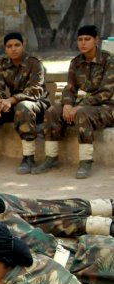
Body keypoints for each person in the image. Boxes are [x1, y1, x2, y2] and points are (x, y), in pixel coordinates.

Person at [33, 25, 114, 179]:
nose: (83, 43)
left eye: (87, 39)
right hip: (84, 105)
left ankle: (85, 162)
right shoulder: (76, 62)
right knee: (52, 112)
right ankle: (51, 158)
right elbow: (70, 89)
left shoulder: (109, 61)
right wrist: (68, 105)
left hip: (107, 107)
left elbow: (106, 92)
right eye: (80, 39)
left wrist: (79, 106)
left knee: (82, 114)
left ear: (96, 40)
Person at [0, 32, 50, 174]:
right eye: (9, 46)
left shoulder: (34, 63)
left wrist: (10, 100)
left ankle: (28, 157)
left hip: (36, 103)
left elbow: (34, 90)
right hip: (13, 103)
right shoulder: (2, 64)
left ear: (23, 45)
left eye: (17, 45)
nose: (13, 49)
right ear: (5, 49)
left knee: (23, 108)